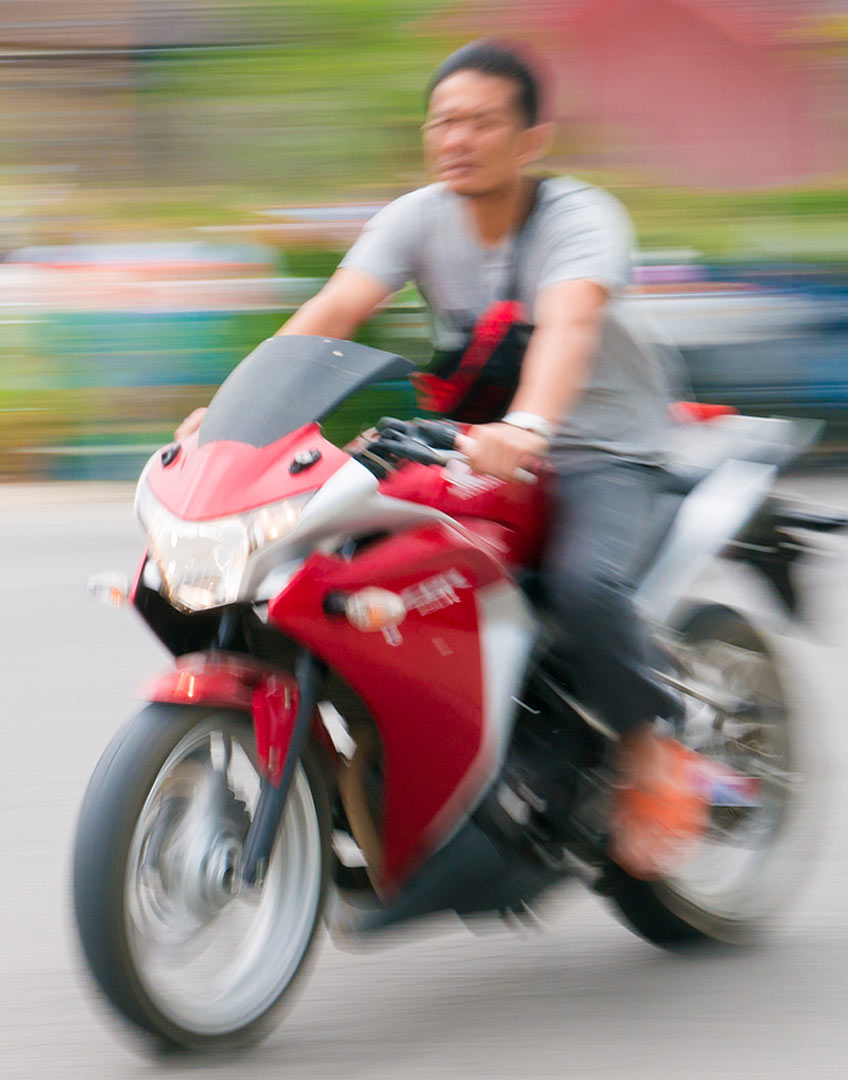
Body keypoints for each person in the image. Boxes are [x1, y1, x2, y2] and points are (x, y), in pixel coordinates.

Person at [178, 40, 704, 879]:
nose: (456, 138)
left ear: (531, 138)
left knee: (582, 585)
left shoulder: (580, 219)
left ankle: (652, 753)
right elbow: (332, 311)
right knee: (333, 555)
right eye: (443, 120)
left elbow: (567, 326)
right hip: (470, 448)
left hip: (605, 448)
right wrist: (239, 414)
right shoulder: (418, 216)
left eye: (482, 122)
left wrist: (529, 425)